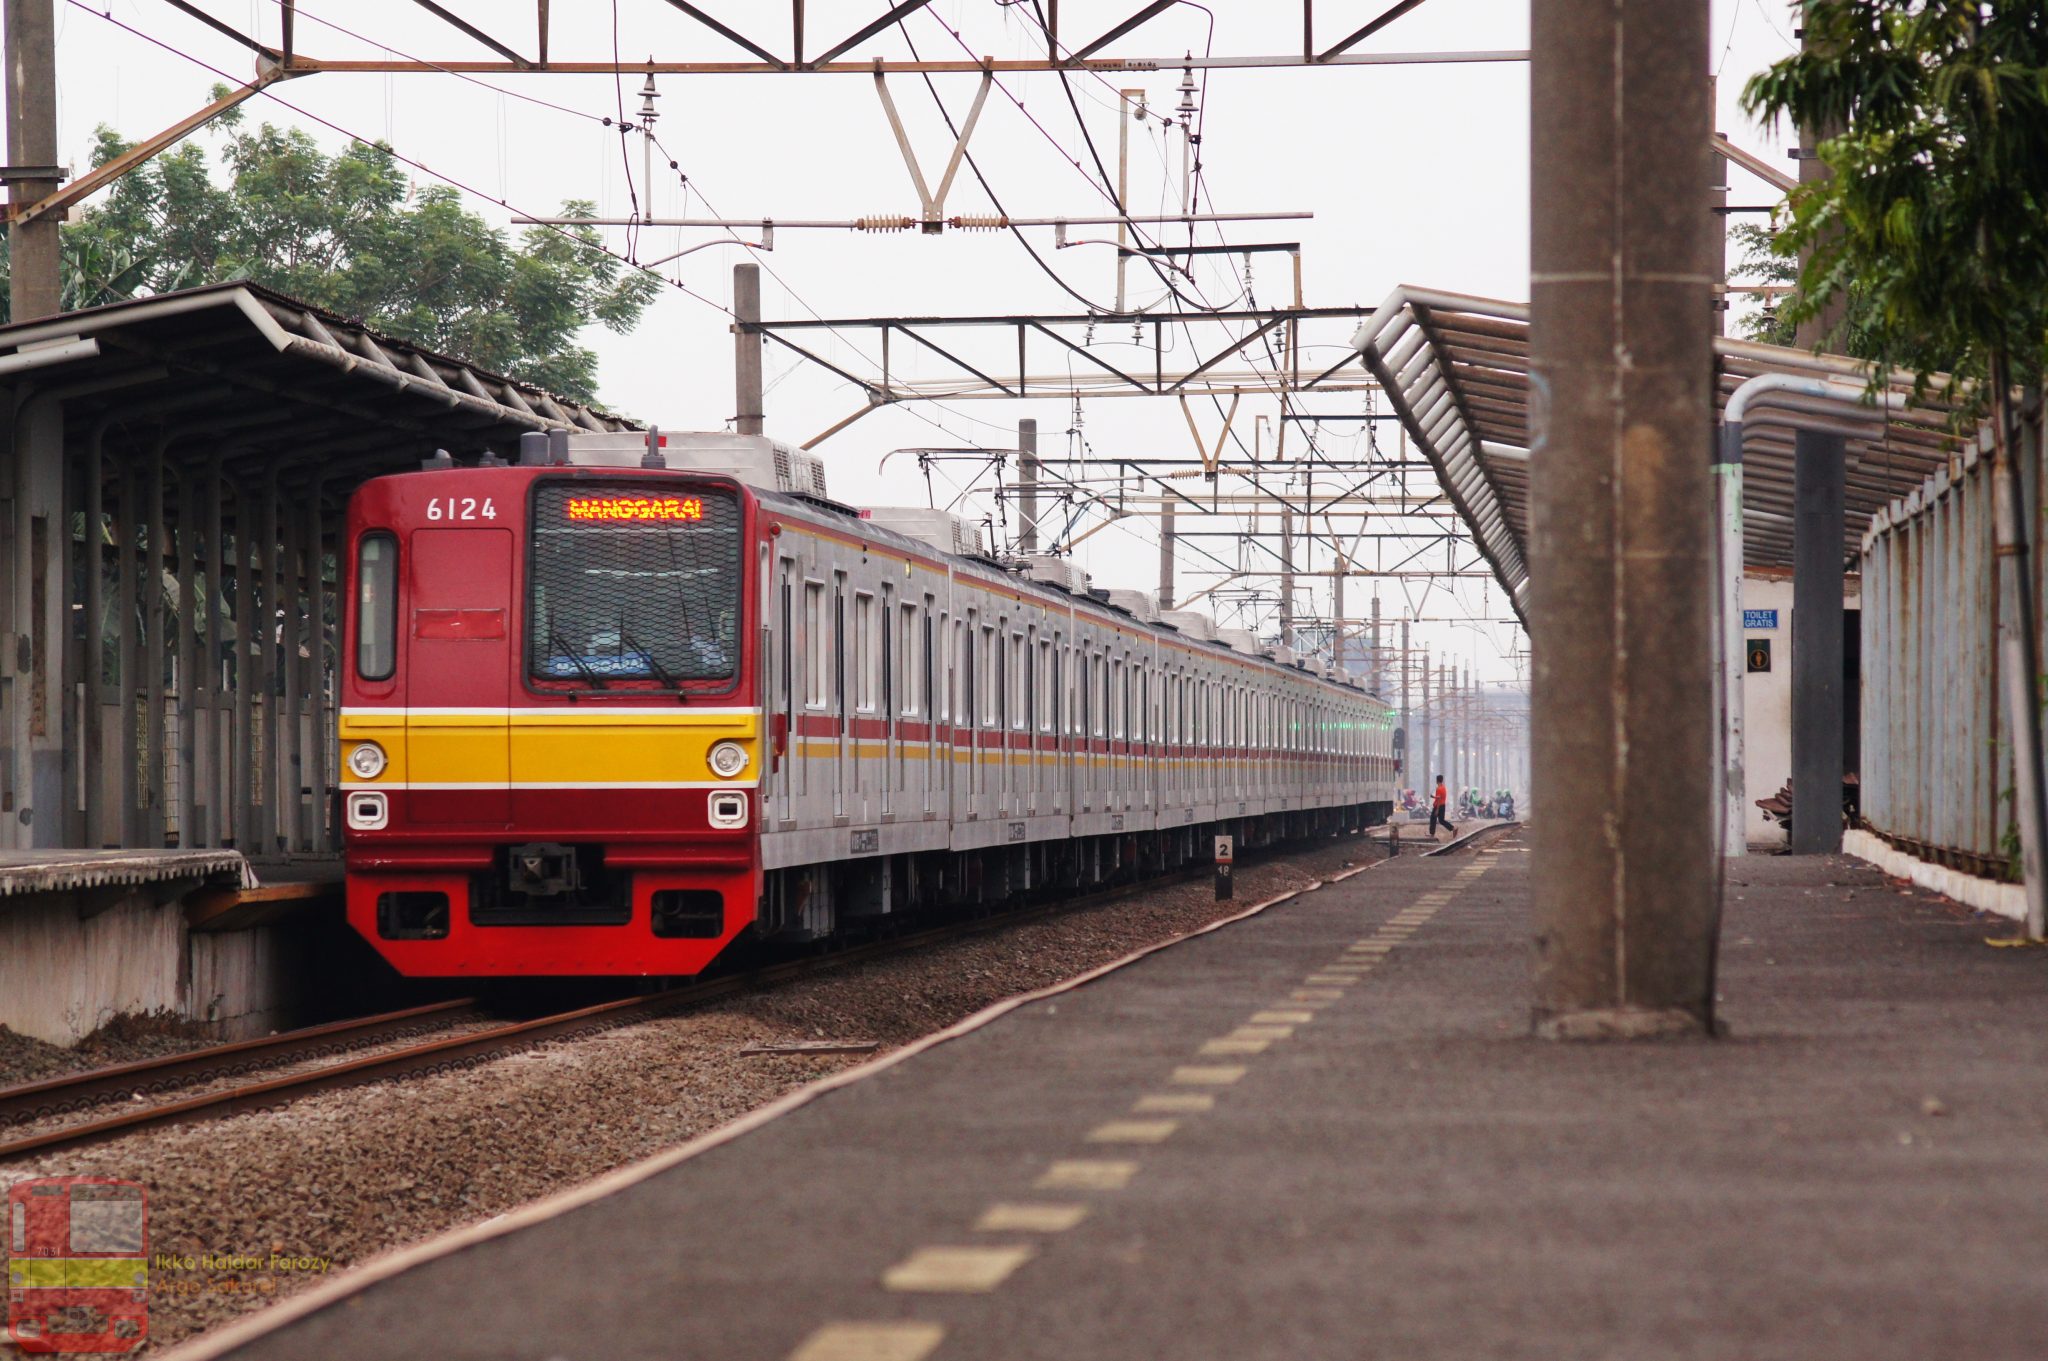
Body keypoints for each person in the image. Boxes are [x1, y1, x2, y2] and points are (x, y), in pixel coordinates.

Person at [1429, 774, 1456, 839]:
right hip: (1443, 805)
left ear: (1437, 780)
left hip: (1438, 806)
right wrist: (1433, 797)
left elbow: (1438, 799)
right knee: (1441, 820)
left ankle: (1432, 834)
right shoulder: (1443, 787)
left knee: (1433, 819)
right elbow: (1439, 797)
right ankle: (1453, 828)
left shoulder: (1438, 789)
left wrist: (1437, 810)